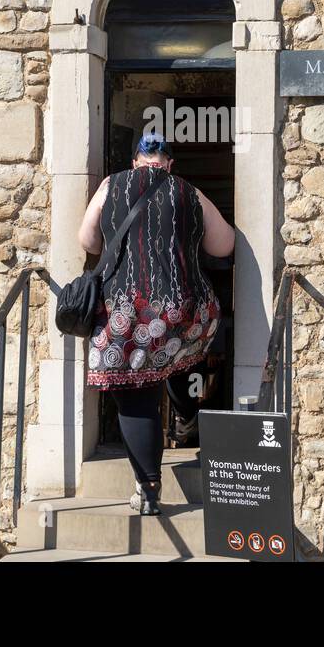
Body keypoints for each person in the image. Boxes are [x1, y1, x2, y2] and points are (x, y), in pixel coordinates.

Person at [77, 132, 236, 516]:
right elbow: (224, 245)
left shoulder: (110, 185)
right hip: (184, 311)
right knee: (176, 352)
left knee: (135, 393)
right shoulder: (188, 191)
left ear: (135, 162)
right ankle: (184, 412)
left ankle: (148, 489)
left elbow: (88, 241)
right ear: (168, 164)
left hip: (127, 313)